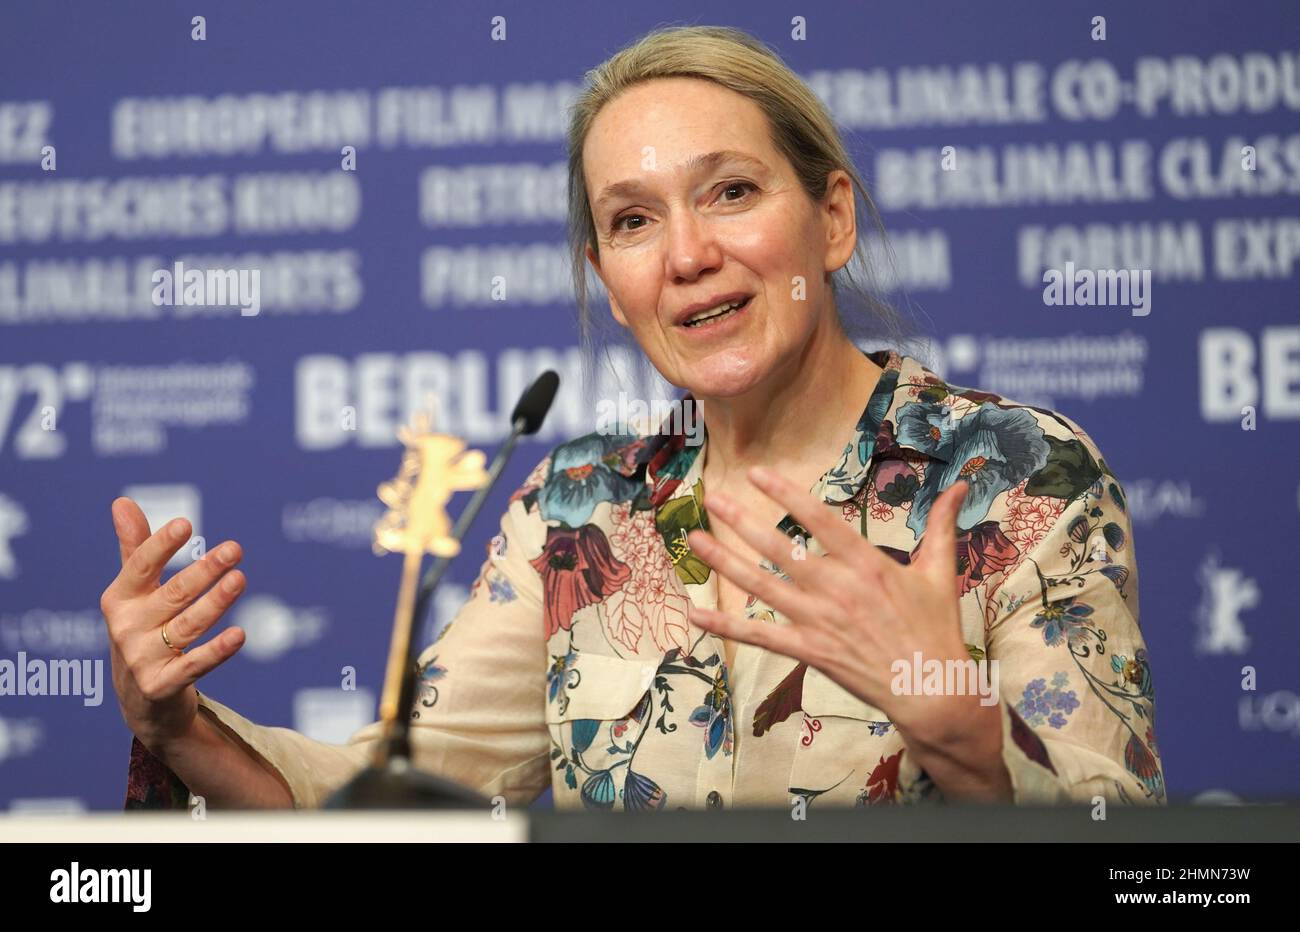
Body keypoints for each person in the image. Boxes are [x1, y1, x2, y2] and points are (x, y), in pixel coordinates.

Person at [109, 25, 1164, 812]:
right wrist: (182, 726)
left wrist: (962, 728)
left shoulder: (1017, 478)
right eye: (632, 220)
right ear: (608, 280)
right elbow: (384, 805)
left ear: (831, 218)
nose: (687, 255)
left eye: (731, 192)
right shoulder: (580, 513)